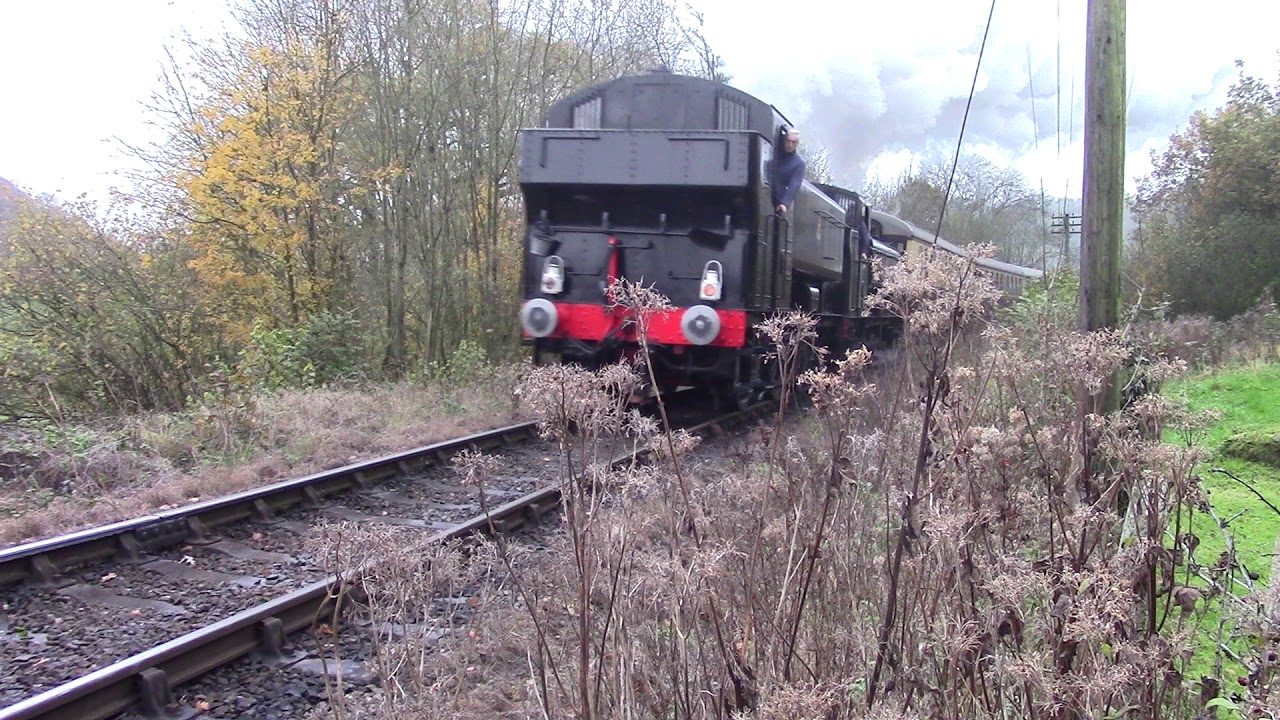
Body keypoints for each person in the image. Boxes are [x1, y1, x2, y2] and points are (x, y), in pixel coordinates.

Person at [771, 128, 805, 215]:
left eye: (793, 142)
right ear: (784, 141)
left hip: (777, 203)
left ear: (797, 144)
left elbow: (794, 184)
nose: (790, 145)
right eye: (788, 141)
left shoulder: (799, 164)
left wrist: (785, 203)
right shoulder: (773, 154)